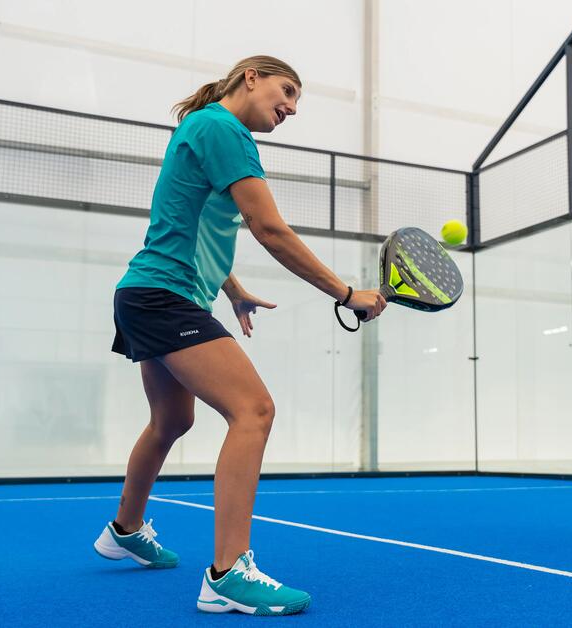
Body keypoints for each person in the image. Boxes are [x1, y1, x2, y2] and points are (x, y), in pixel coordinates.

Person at [92, 55, 387, 615]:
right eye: (287, 91)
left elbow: (185, 222)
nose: (291, 108)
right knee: (253, 410)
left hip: (146, 293)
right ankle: (227, 574)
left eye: (297, 101)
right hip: (163, 295)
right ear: (250, 76)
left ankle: (124, 531)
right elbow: (270, 228)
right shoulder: (223, 129)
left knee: (172, 420)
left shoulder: (201, 127)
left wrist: (232, 290)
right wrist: (347, 294)